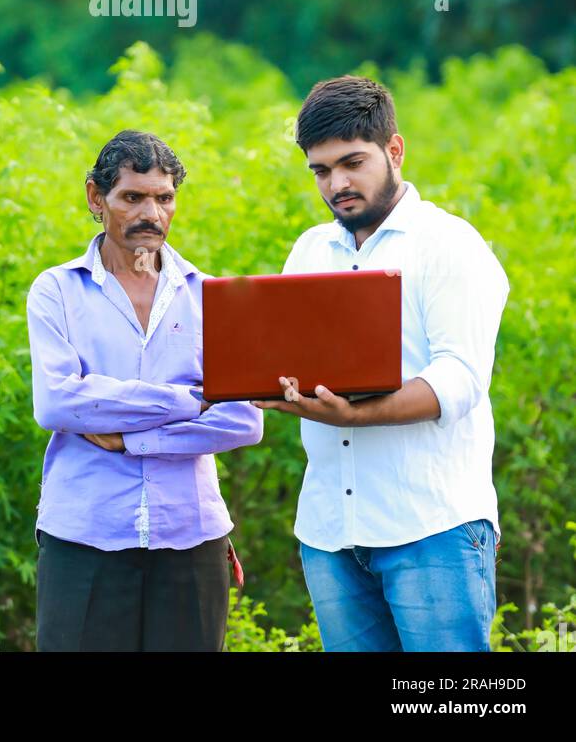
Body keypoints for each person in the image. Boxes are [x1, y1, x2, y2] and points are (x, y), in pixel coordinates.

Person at [254, 74, 509, 653]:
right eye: (320, 170)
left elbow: (460, 380)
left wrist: (352, 417)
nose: (337, 184)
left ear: (394, 150)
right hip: (329, 531)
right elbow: (295, 360)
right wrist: (265, 383)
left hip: (432, 527)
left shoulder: (449, 244)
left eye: (352, 162)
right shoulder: (310, 251)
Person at [27, 129, 262, 652]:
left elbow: (244, 419)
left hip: (192, 535)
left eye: (164, 198)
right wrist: (191, 399)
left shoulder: (211, 296)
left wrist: (130, 436)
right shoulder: (57, 291)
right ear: (96, 197)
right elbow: (59, 402)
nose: (150, 213)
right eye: (132, 197)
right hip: (84, 537)